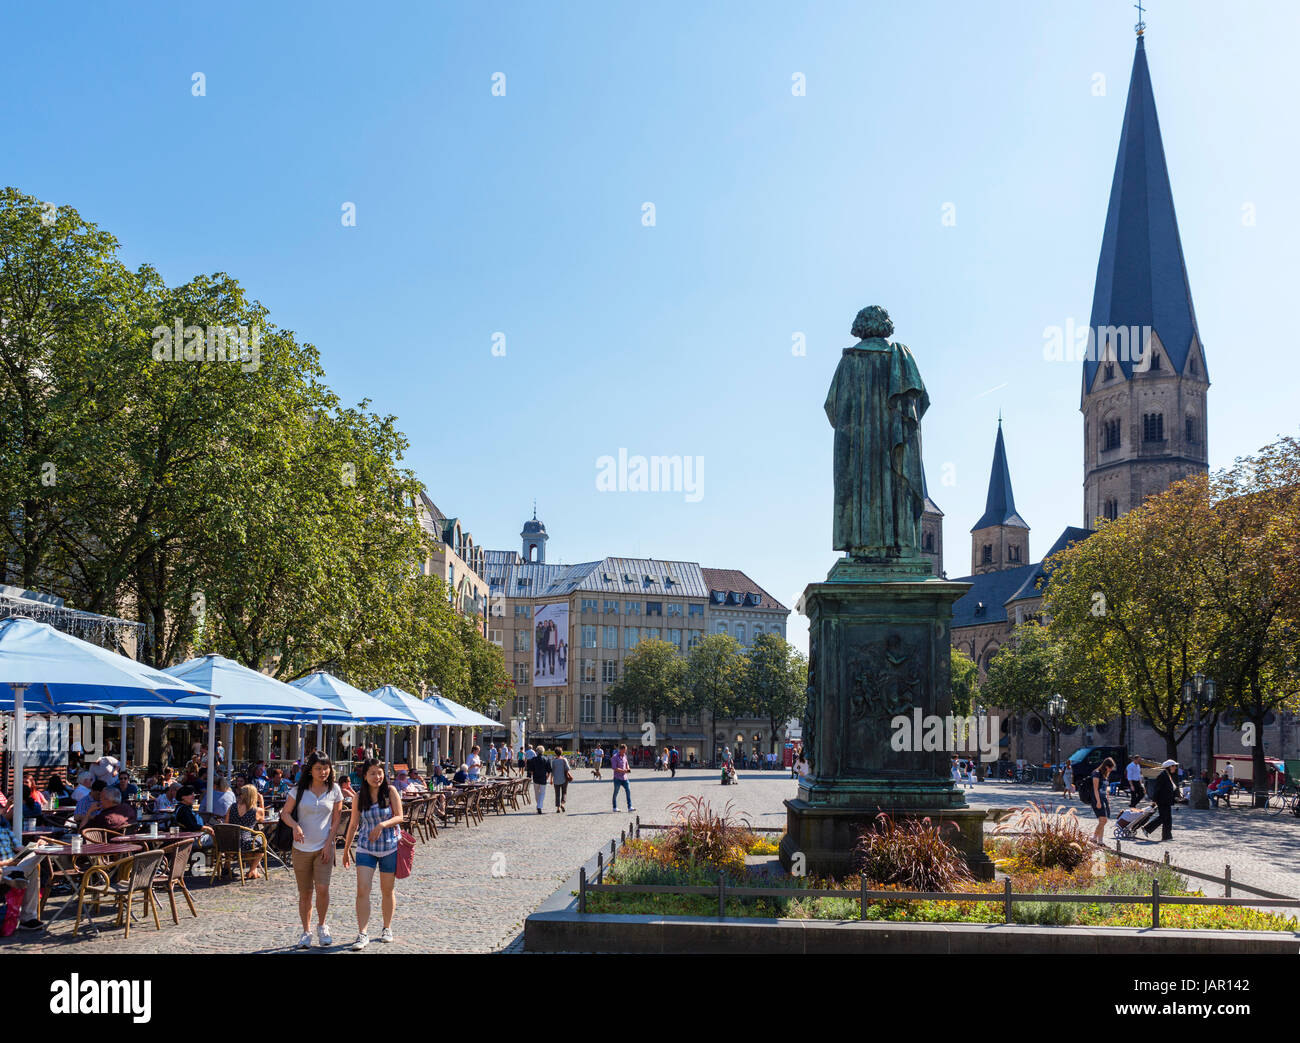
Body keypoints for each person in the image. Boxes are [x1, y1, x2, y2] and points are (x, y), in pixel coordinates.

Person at [279, 752, 344, 949]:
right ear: (310, 770)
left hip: (324, 847)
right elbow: (285, 813)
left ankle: (322, 926)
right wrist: (295, 826)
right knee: (305, 892)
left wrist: (328, 844)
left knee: (323, 889)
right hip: (300, 849)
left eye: (326, 768)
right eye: (318, 768)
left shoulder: (335, 790)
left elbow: (336, 821)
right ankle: (306, 931)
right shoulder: (298, 790)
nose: (323, 772)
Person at [343, 758, 404, 949]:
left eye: (379, 773)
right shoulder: (359, 797)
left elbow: (400, 816)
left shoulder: (391, 791)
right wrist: (345, 851)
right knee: (362, 889)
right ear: (365, 776)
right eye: (372, 773)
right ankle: (362, 933)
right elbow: (353, 824)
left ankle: (387, 928)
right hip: (365, 848)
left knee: (387, 890)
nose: (377, 777)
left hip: (389, 847)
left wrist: (382, 824)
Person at [0, 815, 47, 931]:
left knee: (41, 850)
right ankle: (28, 918)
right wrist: (8, 862)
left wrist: (36, 846)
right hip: (3, 869)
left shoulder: (5, 830)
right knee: (32, 870)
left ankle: (17, 873)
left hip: (13, 868)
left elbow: (20, 848)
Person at [227, 784, 267, 878]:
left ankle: (254, 871)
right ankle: (252, 870)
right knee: (262, 843)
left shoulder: (232, 807)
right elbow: (262, 820)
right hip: (244, 842)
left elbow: (226, 823)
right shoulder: (256, 810)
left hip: (229, 841)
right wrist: (261, 801)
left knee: (253, 842)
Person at [1143, 759, 1179, 841]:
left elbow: (1170, 788)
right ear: (1169, 767)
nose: (1175, 768)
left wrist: (1175, 797)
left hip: (1167, 801)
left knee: (1168, 818)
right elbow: (1157, 789)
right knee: (1163, 817)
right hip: (1162, 801)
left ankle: (1167, 836)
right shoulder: (1163, 775)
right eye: (1174, 766)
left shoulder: (1168, 775)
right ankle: (1147, 828)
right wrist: (1154, 800)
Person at [1088, 757, 1116, 845]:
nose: (1111, 770)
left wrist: (1108, 801)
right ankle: (1094, 837)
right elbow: (1095, 789)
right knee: (1104, 820)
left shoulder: (1105, 775)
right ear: (1106, 766)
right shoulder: (1096, 773)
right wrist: (1098, 801)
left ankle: (1100, 841)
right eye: (1111, 768)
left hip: (1104, 799)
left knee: (1102, 821)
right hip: (1096, 799)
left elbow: (1106, 789)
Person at [611, 743, 634, 812]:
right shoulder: (614, 757)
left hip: (624, 778)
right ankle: (614, 807)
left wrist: (628, 768)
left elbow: (627, 764)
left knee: (628, 790)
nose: (625, 752)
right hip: (617, 778)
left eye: (625, 750)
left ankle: (629, 807)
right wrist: (624, 770)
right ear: (620, 750)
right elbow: (614, 768)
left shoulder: (625, 756)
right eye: (624, 750)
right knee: (616, 792)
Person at [529, 744, 551, 814]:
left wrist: (533, 775)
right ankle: (539, 806)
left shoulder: (533, 759)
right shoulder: (546, 759)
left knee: (536, 793)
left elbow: (531, 770)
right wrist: (547, 777)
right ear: (543, 751)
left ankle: (538, 805)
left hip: (535, 778)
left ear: (537, 751)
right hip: (543, 778)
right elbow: (549, 770)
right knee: (542, 793)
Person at [551, 748, 571, 813]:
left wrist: (551, 779)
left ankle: (558, 808)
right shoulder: (564, 760)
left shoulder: (554, 761)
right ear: (561, 752)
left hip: (556, 779)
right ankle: (562, 804)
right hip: (564, 779)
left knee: (557, 794)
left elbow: (552, 771)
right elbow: (568, 769)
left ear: (555, 753)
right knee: (564, 792)